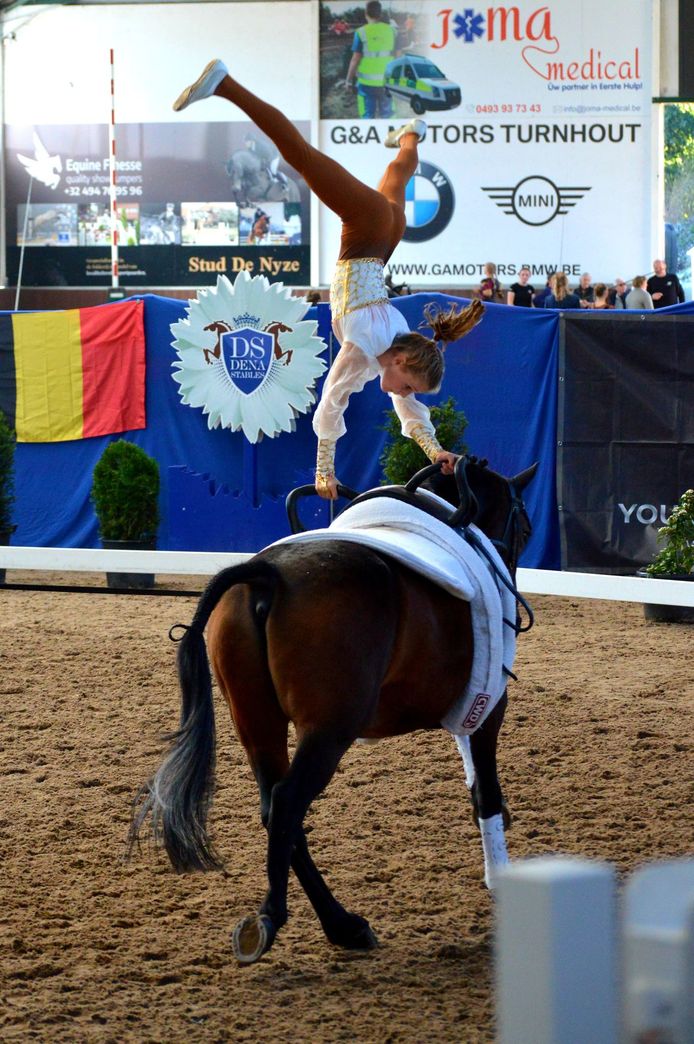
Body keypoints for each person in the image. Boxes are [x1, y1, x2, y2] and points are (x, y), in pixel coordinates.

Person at [173, 60, 483, 500]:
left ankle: (412, 133)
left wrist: (435, 452)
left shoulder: (398, 341)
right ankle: (224, 84)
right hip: (366, 230)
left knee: (398, 175)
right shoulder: (366, 348)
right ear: (400, 363)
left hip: (385, 237)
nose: (406, 394)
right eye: (410, 384)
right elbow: (332, 400)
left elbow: (408, 408)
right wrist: (324, 470)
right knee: (299, 154)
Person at [344, 0, 397, 119]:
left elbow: (355, 59)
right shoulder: (392, 31)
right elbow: (398, 56)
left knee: (367, 116)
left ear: (365, 14)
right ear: (380, 14)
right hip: (387, 83)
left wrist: (348, 81)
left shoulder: (361, 32)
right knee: (388, 115)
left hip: (365, 84)